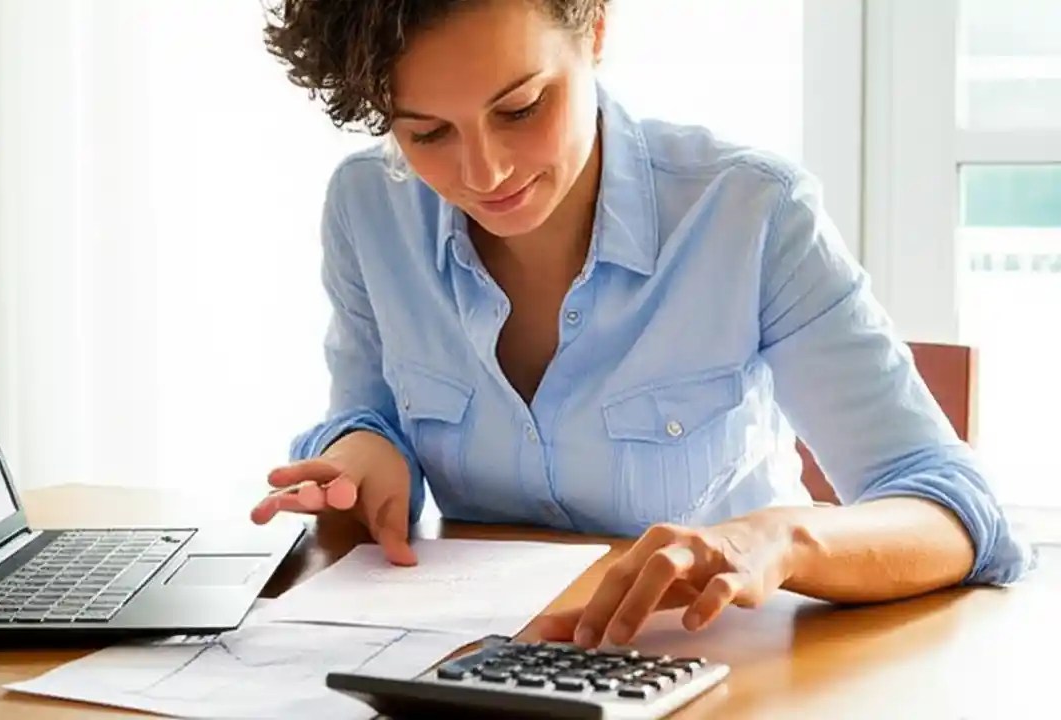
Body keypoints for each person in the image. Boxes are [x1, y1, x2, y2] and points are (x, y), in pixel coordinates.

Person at [250, 0, 1036, 649]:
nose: (483, 172)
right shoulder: (368, 207)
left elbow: (957, 510)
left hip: (722, 677)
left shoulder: (749, 213)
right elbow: (365, 422)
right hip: (464, 673)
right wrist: (360, 457)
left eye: (521, 107)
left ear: (594, 28)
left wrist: (777, 540)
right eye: (426, 134)